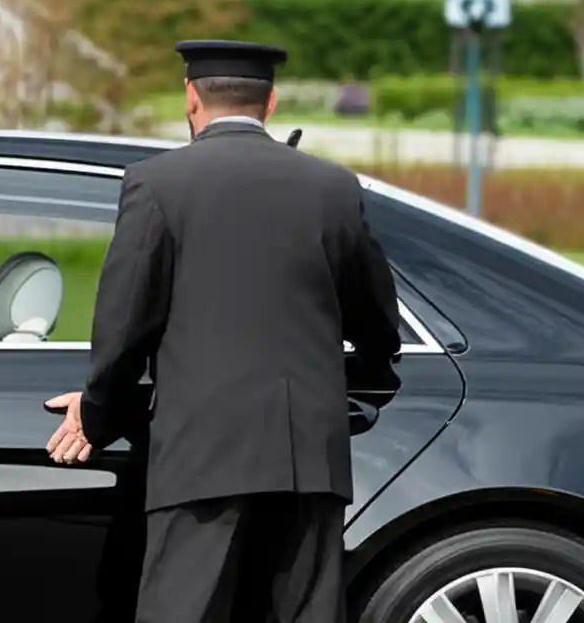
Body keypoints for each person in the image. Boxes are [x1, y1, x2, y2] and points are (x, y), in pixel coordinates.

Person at [45, 40, 402, 622]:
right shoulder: (333, 188)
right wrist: (360, 382)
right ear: (271, 103)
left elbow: (125, 322)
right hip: (309, 456)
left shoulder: (157, 183)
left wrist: (97, 409)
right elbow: (377, 322)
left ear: (190, 98)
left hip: (201, 457)